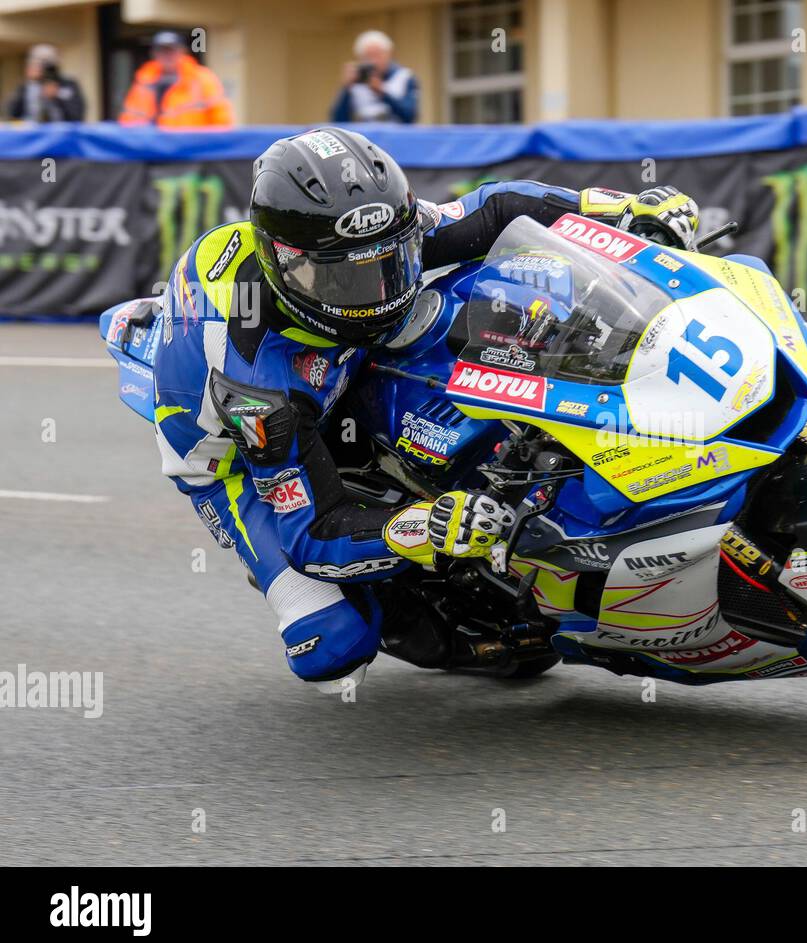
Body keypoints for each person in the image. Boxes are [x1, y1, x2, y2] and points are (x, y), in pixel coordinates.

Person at [149, 127, 699, 691]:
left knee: (489, 305)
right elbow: (313, 533)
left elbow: (497, 210)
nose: (379, 290)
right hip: (239, 462)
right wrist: (420, 529)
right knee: (330, 642)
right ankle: (403, 603)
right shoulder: (257, 383)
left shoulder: (372, 231)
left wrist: (622, 211)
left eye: (392, 262)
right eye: (346, 279)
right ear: (285, 265)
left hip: (335, 357)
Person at [119, 31, 232, 127]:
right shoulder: (143, 81)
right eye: (162, 50)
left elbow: (222, 120)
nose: (167, 55)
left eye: (172, 50)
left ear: (182, 51)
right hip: (152, 148)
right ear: (154, 53)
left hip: (193, 148)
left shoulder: (202, 79)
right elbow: (128, 120)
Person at [330, 30, 418, 124]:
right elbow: (337, 120)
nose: (373, 62)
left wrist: (382, 93)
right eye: (367, 57)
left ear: (388, 54)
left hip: (395, 137)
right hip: (363, 136)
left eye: (377, 55)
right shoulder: (355, 84)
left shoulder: (404, 77)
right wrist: (346, 89)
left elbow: (410, 116)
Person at [5, 44, 85, 122]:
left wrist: (57, 97)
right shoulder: (26, 87)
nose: (43, 69)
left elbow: (77, 116)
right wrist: (29, 82)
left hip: (62, 132)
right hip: (32, 132)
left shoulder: (68, 84)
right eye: (37, 63)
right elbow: (11, 113)